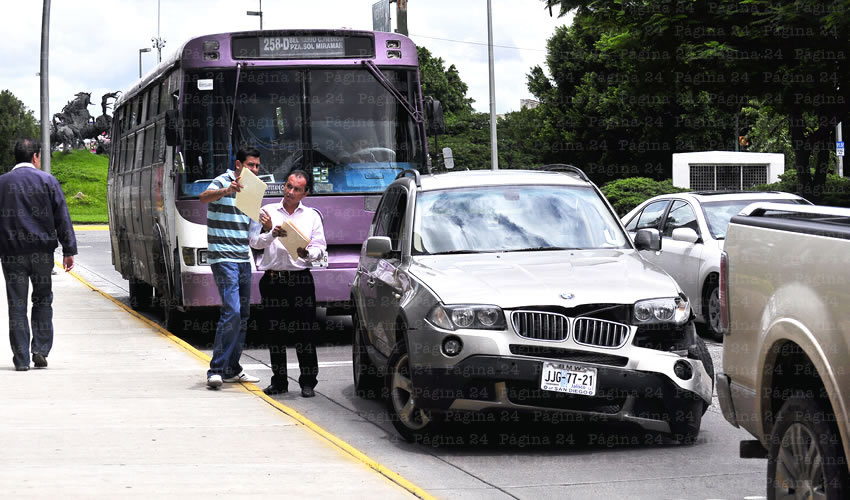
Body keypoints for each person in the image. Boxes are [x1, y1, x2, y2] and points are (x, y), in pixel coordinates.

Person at [0, 138, 77, 371]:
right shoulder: (47, 181)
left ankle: (21, 358)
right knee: (43, 300)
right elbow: (62, 216)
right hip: (42, 254)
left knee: (17, 304)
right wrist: (68, 249)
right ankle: (40, 349)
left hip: (12, 254)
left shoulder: (2, 183)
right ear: (35, 156)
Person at [250, 170, 326, 398]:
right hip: (273, 279)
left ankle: (308, 382)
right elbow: (254, 242)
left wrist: (308, 252)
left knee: (305, 333)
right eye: (288, 187)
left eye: (297, 189)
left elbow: (321, 247)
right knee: (275, 333)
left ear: (306, 193)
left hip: (300, 280)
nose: (291, 192)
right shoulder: (267, 212)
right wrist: (270, 233)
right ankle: (279, 381)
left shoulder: (312, 216)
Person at [200, 148, 263, 388]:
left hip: (242, 257)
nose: (254, 170)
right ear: (238, 165)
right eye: (250, 165)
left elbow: (253, 233)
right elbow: (203, 197)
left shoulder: (254, 189)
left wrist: (265, 225)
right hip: (223, 256)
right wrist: (228, 190)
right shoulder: (223, 180)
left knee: (243, 315)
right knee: (232, 310)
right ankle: (215, 370)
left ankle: (233, 369)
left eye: (257, 166)